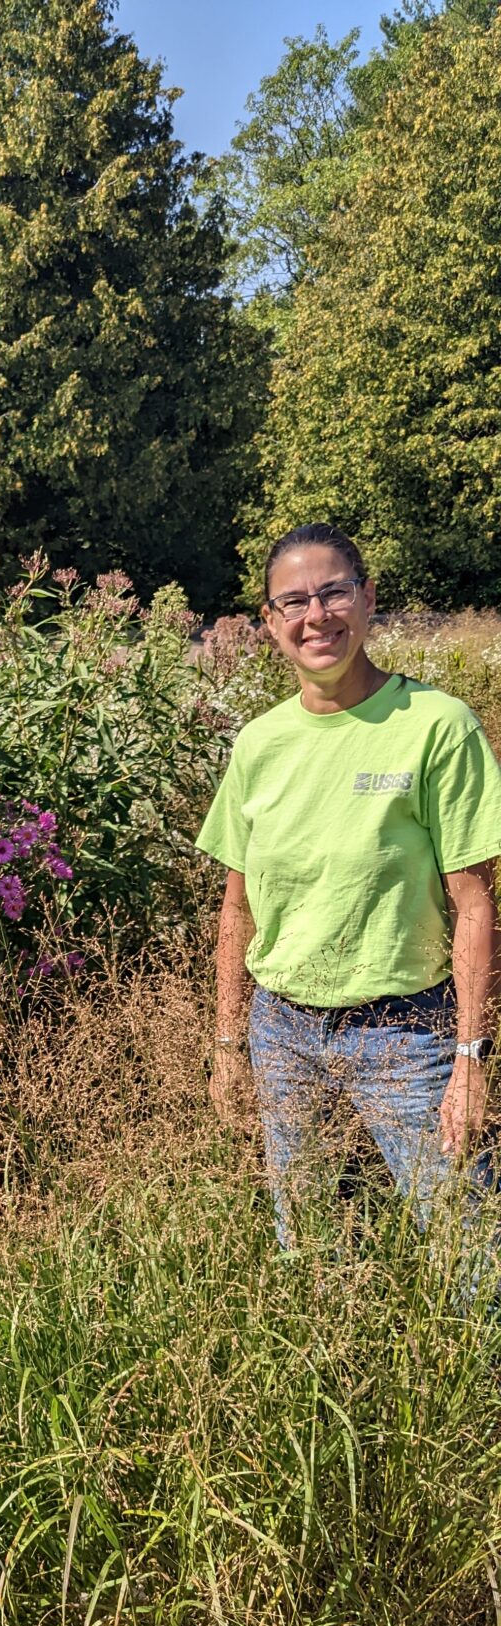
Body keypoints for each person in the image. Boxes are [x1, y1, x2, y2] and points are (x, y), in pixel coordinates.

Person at [197, 521, 501, 1252]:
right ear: (270, 622)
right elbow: (237, 907)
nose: (316, 616)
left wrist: (470, 1060)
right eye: (293, 601)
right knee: (307, 1242)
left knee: (468, 1247)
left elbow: (474, 905)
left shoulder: (435, 726)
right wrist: (229, 1044)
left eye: (333, 592)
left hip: (408, 1033)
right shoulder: (259, 745)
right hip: (283, 1032)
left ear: (367, 600)